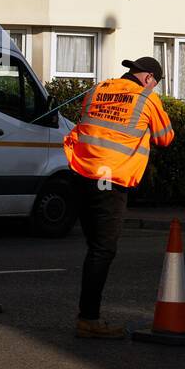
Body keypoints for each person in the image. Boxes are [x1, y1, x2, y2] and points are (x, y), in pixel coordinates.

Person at [64, 56, 175, 338]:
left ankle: (87, 315)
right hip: (108, 181)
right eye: (155, 84)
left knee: (95, 248)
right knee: (103, 249)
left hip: (79, 174)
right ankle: (88, 319)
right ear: (149, 78)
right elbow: (165, 138)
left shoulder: (98, 89)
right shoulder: (147, 99)